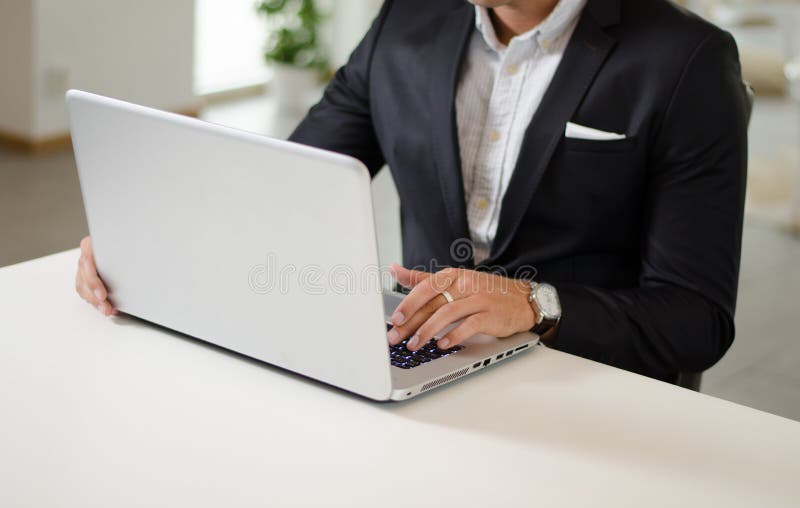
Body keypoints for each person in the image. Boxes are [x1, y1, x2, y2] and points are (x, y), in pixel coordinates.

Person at [75, 0, 749, 384]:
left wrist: (536, 305)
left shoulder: (686, 59)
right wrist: (146, 241)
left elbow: (695, 318)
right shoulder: (406, 22)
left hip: (592, 381)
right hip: (421, 369)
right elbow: (278, 186)